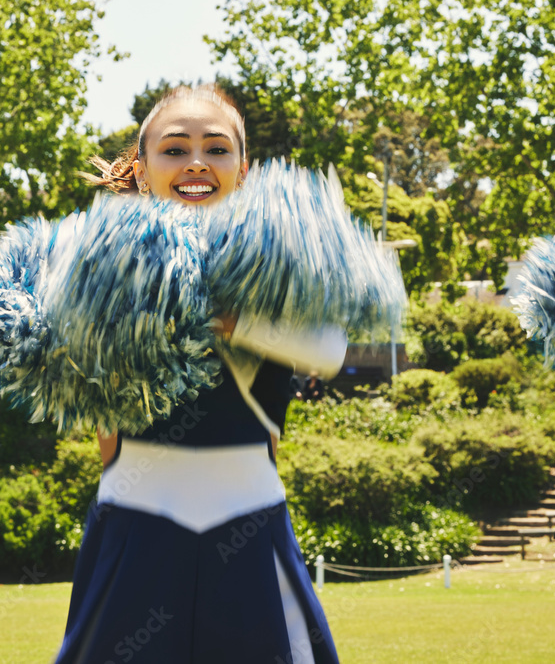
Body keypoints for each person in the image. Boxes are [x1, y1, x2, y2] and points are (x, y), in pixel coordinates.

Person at [57, 84, 344, 663]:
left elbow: (329, 349)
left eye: (216, 149)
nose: (196, 163)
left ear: (244, 170)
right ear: (140, 169)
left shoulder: (277, 261)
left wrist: (230, 317)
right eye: (174, 149)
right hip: (134, 520)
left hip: (248, 517)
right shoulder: (92, 256)